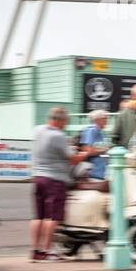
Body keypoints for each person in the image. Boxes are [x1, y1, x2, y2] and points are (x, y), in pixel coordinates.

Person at [31, 107, 97, 262]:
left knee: (38, 217)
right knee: (52, 218)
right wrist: (86, 153)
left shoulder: (38, 130)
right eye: (66, 121)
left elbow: (52, 150)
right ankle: (47, 252)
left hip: (38, 177)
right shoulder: (58, 135)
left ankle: (35, 251)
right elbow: (72, 159)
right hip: (54, 180)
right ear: (59, 120)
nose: (66, 124)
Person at [78, 109, 110, 181]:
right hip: (94, 172)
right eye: (105, 118)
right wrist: (103, 150)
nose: (107, 120)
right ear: (97, 120)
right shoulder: (90, 130)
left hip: (102, 171)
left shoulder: (101, 132)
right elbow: (86, 149)